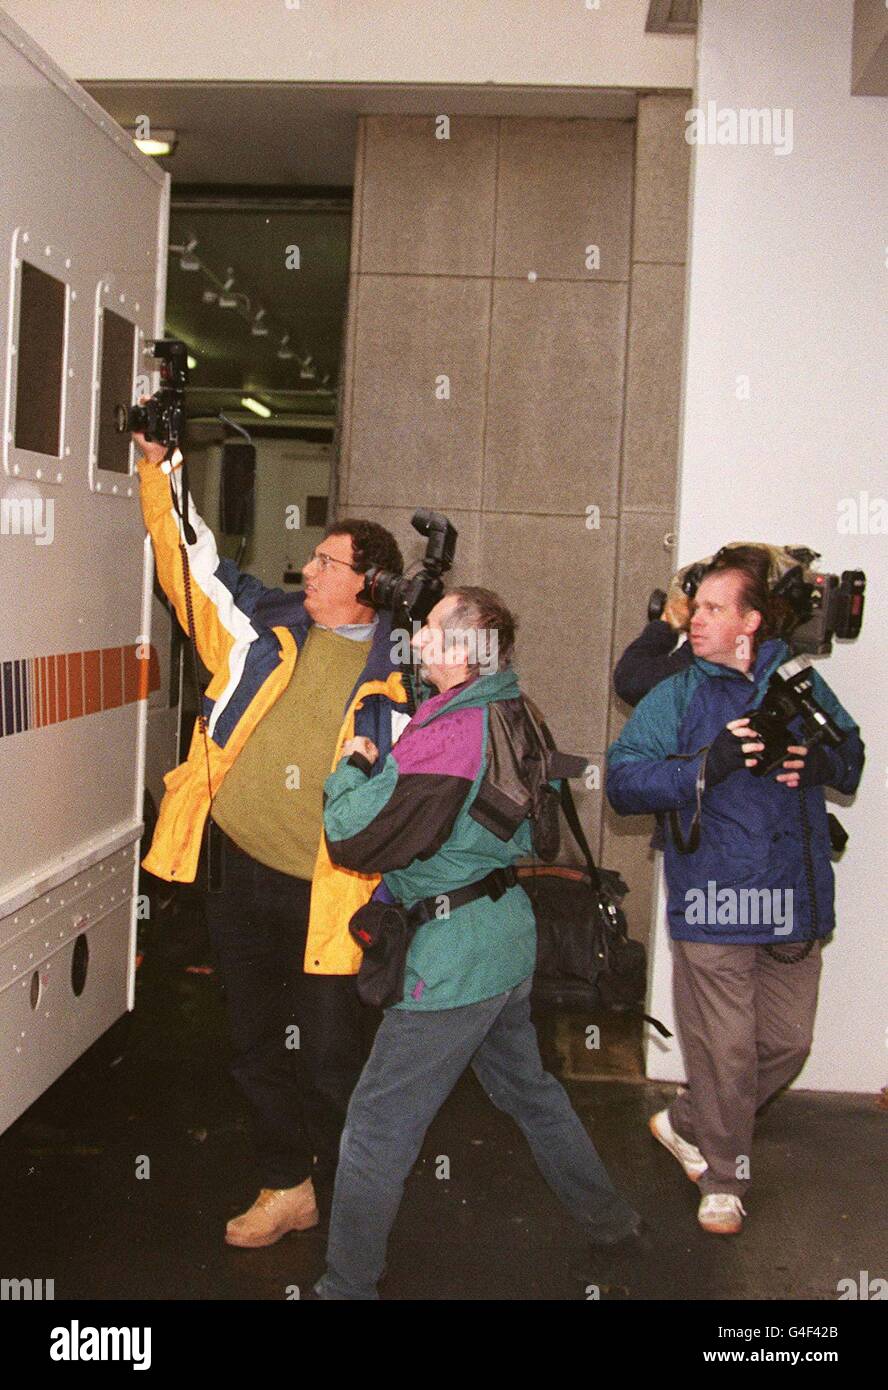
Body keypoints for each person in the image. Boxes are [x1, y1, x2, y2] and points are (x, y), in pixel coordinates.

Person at [312, 586, 640, 1299]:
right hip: (504, 939)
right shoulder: (515, 709)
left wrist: (354, 768)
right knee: (530, 1092)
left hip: (451, 963)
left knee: (375, 1129)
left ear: (461, 651)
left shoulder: (451, 735)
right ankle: (613, 1223)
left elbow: (354, 837)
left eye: (428, 629)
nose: (416, 638)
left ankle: (345, 1288)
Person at [133, 432, 410, 1247]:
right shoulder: (264, 628)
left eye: (328, 563)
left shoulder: (407, 674)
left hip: (330, 894)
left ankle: (350, 1192)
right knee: (253, 1037)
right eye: (314, 559)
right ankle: (285, 1183)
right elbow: (194, 566)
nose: (309, 570)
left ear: (371, 585)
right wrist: (163, 471)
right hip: (238, 872)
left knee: (330, 1056)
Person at [606, 546, 864, 1235]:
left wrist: (821, 763)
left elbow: (853, 753)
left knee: (784, 1044)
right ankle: (724, 1178)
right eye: (697, 608)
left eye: (715, 609)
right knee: (726, 1052)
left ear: (750, 621)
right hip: (712, 897)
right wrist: (703, 766)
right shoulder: (677, 692)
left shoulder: (795, 677)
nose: (696, 620)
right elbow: (624, 782)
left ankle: (688, 1120)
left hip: (794, 900)